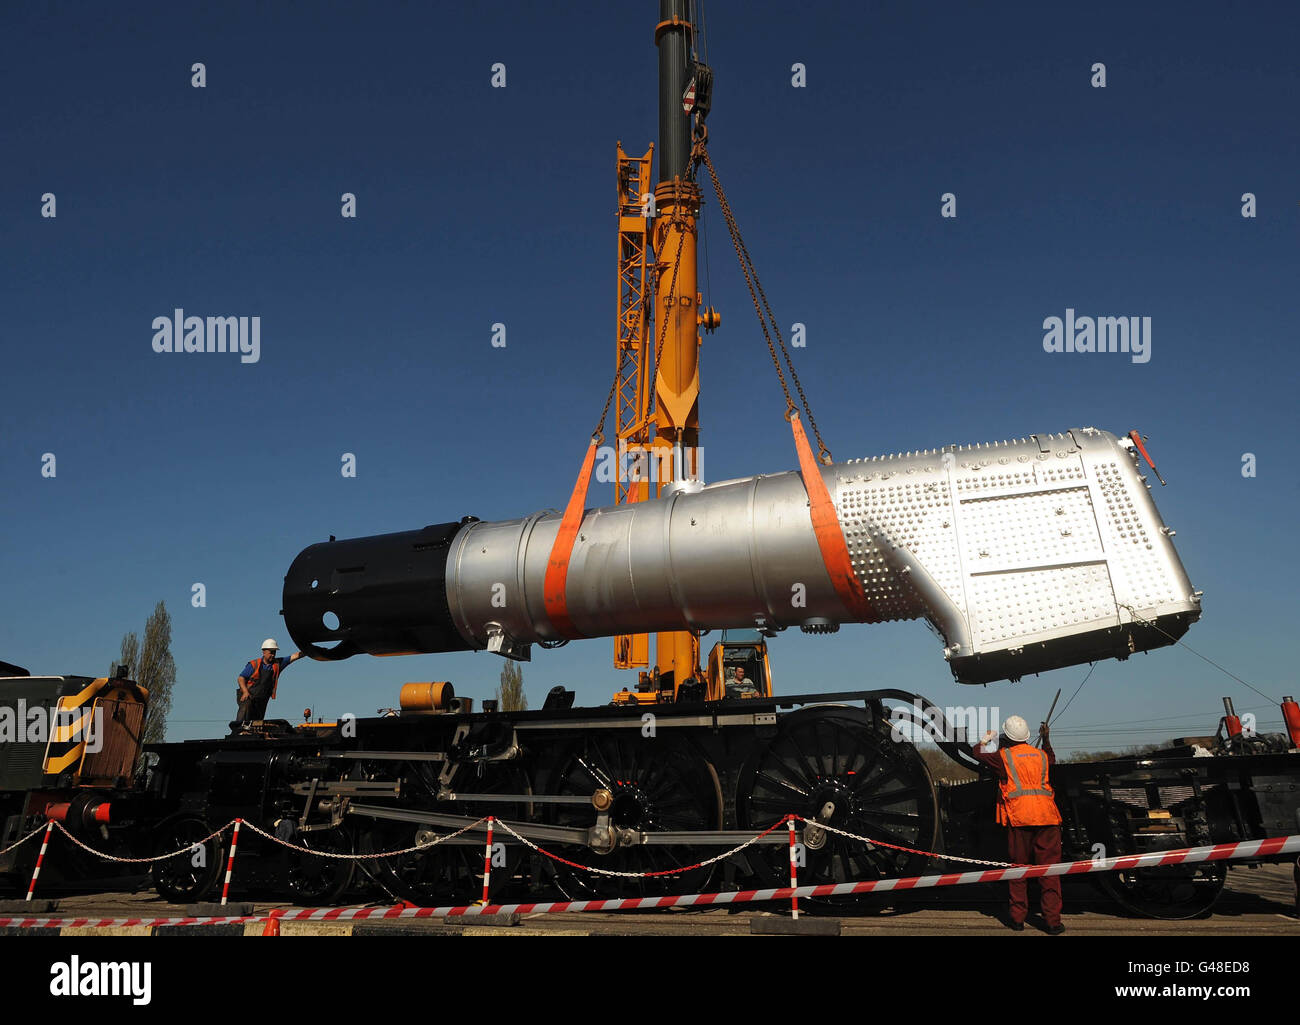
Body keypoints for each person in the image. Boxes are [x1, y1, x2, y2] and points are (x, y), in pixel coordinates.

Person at [972, 715, 1065, 934]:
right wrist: (1046, 738)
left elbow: (977, 752)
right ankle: (1053, 922)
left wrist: (987, 738)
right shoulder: (1041, 755)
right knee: (1049, 872)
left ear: (1007, 737)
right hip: (1047, 817)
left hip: (1020, 817)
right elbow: (1051, 757)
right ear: (1026, 736)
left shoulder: (1004, 757)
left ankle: (1017, 919)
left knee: (1019, 870)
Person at [235, 639, 306, 726]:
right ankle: (238, 730)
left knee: (257, 721)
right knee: (246, 707)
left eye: (274, 652)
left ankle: (252, 735)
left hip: (262, 699)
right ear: (264, 652)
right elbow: (241, 678)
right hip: (248, 695)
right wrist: (245, 691)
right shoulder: (254, 664)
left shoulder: (278, 664)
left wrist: (309, 651)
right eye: (271, 652)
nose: (273, 655)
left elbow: (294, 656)